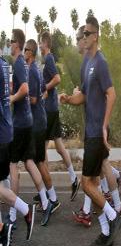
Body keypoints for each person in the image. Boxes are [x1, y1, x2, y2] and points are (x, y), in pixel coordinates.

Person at [58, 15, 121, 246]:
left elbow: (112, 94)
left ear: (95, 37)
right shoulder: (86, 62)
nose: (83, 38)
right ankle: (105, 230)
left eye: (86, 34)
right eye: (82, 34)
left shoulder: (101, 62)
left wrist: (105, 125)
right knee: (93, 183)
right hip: (90, 131)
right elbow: (83, 96)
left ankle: (113, 217)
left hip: (97, 132)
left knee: (86, 184)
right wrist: (68, 99)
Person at [1, 41, 36, 246]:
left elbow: (23, 90)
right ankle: (18, 214)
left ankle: (14, 219)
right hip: (6, 130)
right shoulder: (5, 64)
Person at [39, 30, 79, 199]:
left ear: (45, 43)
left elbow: (57, 79)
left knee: (42, 148)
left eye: (40, 42)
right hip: (52, 108)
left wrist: (44, 88)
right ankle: (73, 178)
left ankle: (49, 191)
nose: (39, 46)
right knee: (57, 144)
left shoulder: (48, 58)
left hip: (49, 110)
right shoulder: (49, 58)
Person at [25, 39, 61, 225]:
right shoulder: (36, 69)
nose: (24, 54)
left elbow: (32, 99)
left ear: (29, 53)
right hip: (40, 121)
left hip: (37, 123)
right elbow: (39, 93)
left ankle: (50, 199)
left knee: (37, 162)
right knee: (38, 162)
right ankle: (49, 197)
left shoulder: (32, 70)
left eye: (25, 50)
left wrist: (18, 96)